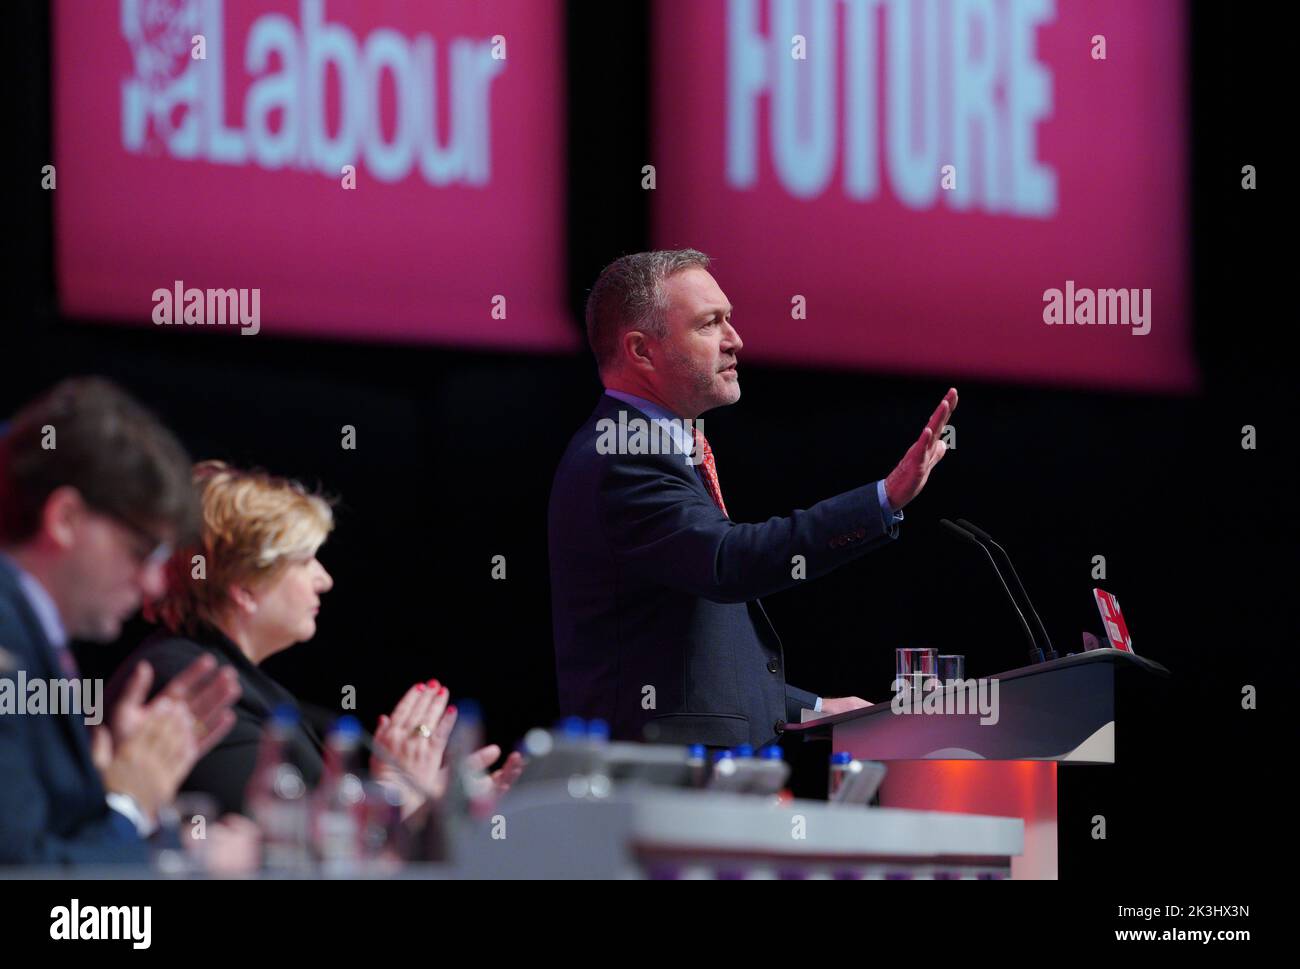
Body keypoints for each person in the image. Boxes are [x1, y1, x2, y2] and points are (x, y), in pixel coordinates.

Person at [549, 250, 957, 748]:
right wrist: (882, 499)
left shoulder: (652, 448)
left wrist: (814, 707)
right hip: (661, 787)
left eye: (730, 319)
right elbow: (727, 562)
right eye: (709, 323)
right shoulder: (620, 457)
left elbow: (695, 663)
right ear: (641, 351)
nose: (734, 339)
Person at [112, 461, 524, 820]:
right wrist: (398, 796)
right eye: (305, 560)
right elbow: (280, 853)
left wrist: (443, 807)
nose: (324, 580)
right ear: (246, 586)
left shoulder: (227, 679)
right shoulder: (192, 685)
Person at [0, 377, 242, 865]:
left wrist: (118, 789)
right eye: (141, 552)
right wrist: (129, 803)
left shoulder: (28, 639)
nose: (154, 584)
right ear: (66, 518)